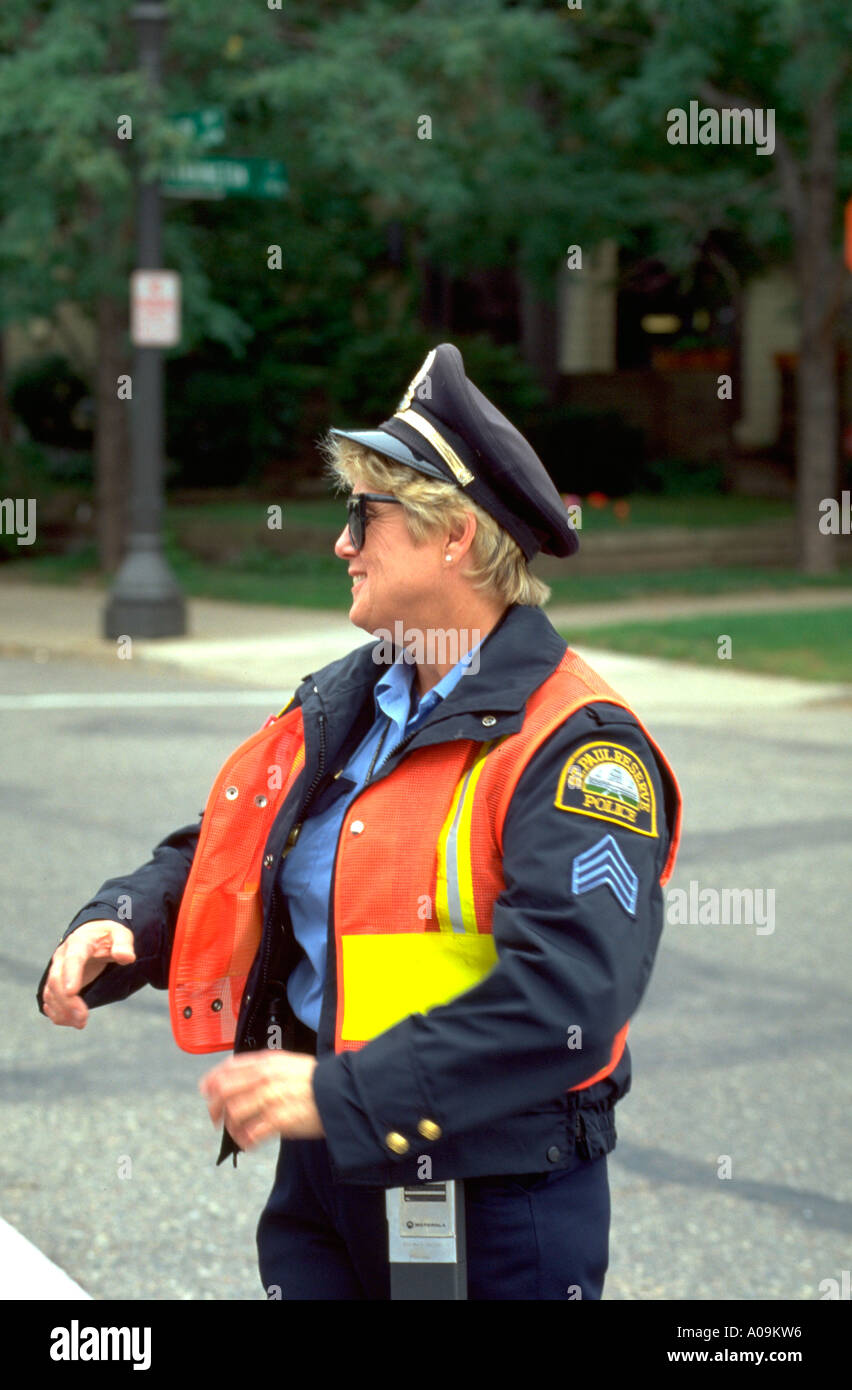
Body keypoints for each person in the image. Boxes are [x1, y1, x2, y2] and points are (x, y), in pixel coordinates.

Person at [38, 342, 682, 1301]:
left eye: (364, 517)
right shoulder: (357, 695)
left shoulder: (580, 748)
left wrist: (341, 1099)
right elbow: (240, 851)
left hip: (491, 1195)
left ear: (454, 536)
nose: (342, 544)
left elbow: (572, 1003)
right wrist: (126, 919)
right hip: (330, 1171)